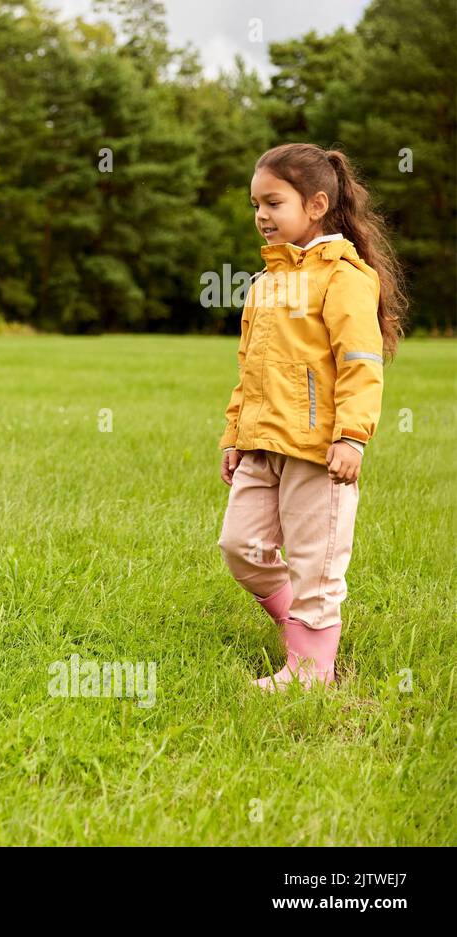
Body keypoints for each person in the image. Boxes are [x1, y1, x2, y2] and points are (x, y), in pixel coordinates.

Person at [217, 143, 406, 690]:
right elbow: (248, 367)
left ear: (317, 204)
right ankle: (294, 625)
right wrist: (235, 433)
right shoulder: (265, 282)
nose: (261, 215)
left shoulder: (344, 277)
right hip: (261, 444)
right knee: (240, 547)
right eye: (255, 204)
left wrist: (352, 436)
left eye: (273, 202)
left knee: (315, 563)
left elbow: (360, 364)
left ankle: (309, 670)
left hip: (318, 452)